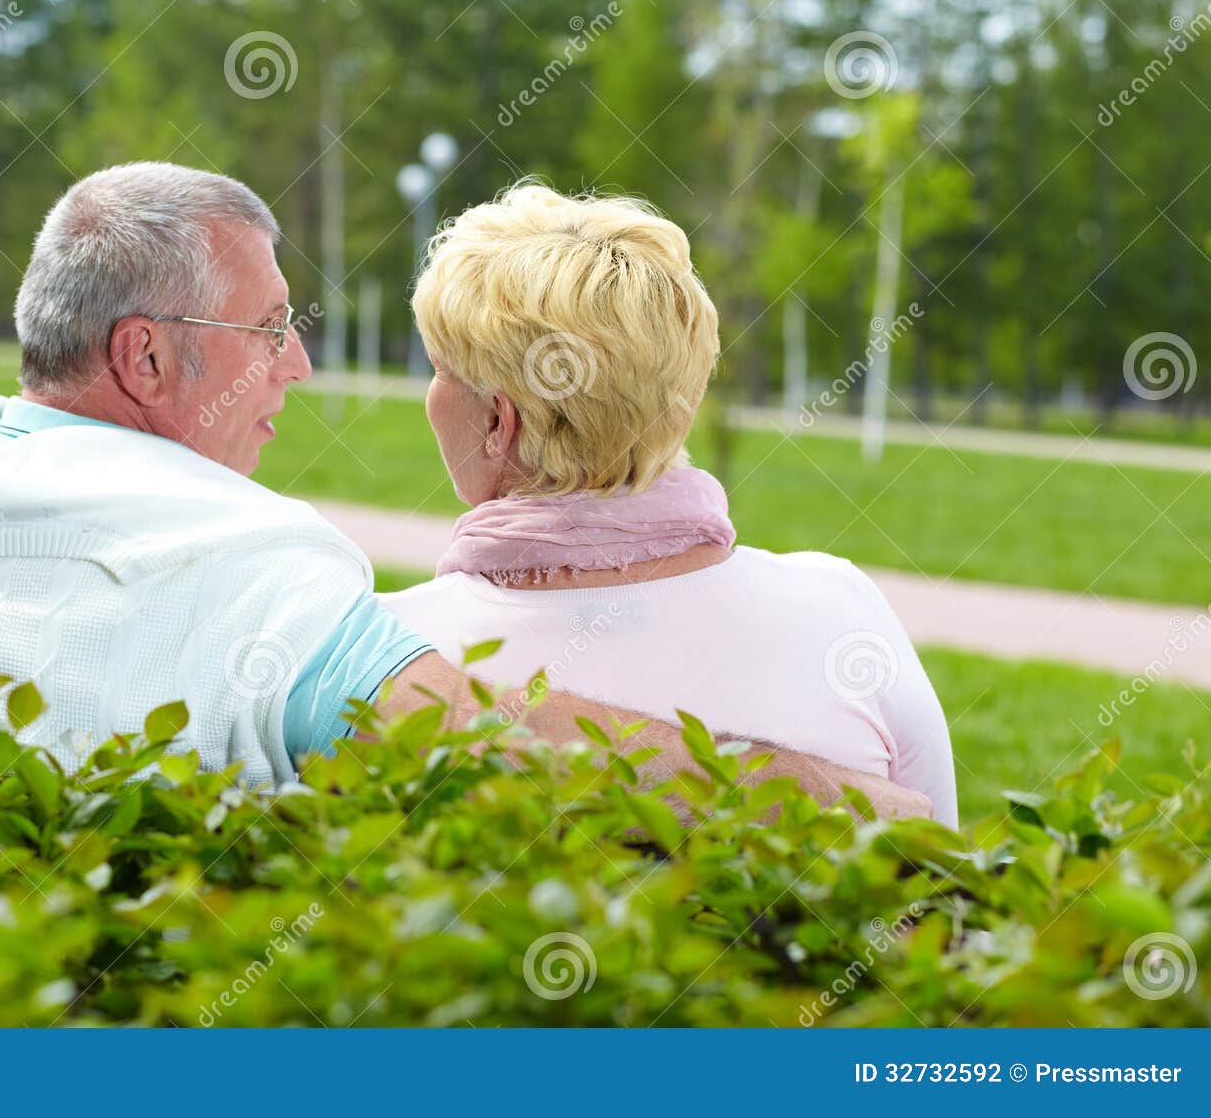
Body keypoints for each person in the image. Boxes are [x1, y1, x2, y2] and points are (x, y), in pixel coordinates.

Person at [0, 161, 930, 817]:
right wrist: (836, 803)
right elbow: (496, 741)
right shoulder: (257, 569)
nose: (298, 363)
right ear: (146, 356)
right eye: (269, 328)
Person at [379, 183, 958, 827]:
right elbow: (941, 858)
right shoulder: (841, 612)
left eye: (439, 369)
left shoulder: (391, 655)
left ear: (497, 422)